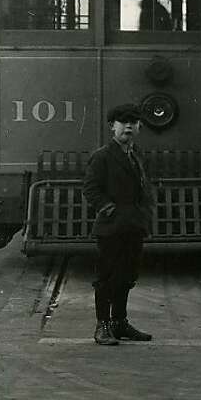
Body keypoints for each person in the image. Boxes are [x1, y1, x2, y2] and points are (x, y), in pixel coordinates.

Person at [83, 103, 154, 345]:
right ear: (112, 126)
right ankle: (102, 326)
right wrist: (110, 209)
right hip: (112, 227)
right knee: (107, 277)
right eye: (123, 122)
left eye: (133, 122)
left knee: (127, 276)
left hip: (134, 225)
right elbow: (91, 189)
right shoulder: (102, 156)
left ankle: (119, 323)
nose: (128, 126)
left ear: (139, 127)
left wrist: (145, 211)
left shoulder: (136, 155)